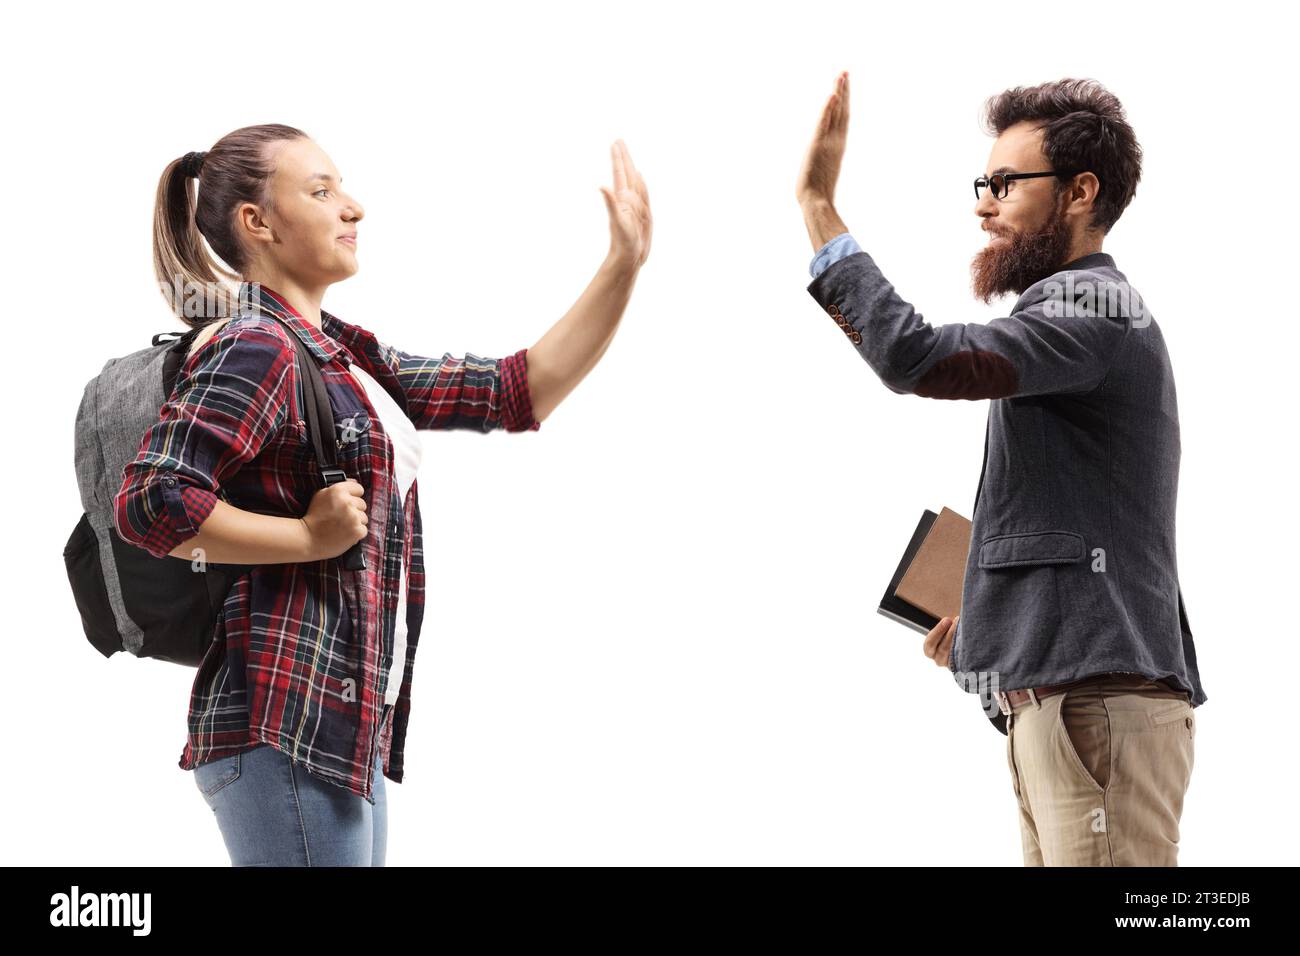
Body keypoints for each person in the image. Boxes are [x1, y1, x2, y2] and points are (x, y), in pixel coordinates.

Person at [114, 124, 651, 866]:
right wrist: (307, 539)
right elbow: (152, 502)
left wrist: (623, 265)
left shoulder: (339, 351)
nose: (353, 208)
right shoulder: (256, 345)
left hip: (341, 727)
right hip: (283, 725)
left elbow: (508, 394)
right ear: (257, 223)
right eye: (322, 190)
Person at [795, 73, 1205, 866]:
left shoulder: (1097, 309)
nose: (984, 203)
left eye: (1006, 183)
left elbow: (918, 359)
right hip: (1056, 717)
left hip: (1095, 717)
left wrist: (819, 206)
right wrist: (995, 626)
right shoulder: (1076, 321)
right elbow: (1076, 529)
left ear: (1081, 192)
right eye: (984, 183)